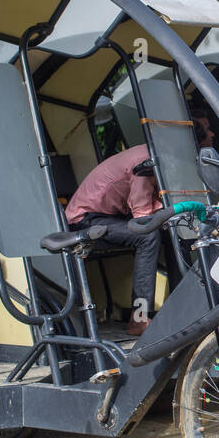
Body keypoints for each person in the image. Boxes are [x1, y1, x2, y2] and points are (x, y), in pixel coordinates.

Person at [65, 144, 162, 337]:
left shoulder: (159, 153)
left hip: (110, 217)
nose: (212, 134)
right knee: (148, 236)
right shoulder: (144, 164)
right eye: (208, 130)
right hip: (85, 220)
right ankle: (139, 319)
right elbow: (141, 214)